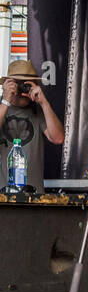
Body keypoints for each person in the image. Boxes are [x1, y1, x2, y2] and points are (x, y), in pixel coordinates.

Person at [0, 59, 66, 193]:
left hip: (33, 196)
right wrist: (6, 101)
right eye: (17, 83)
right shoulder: (1, 109)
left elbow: (58, 138)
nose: (22, 89)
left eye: (27, 84)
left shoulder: (39, 112)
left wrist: (44, 103)